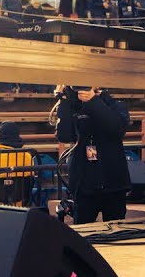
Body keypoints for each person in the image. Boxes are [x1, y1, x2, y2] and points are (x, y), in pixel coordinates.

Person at [53, 84, 131, 223]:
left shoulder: (114, 104)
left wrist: (93, 101)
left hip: (113, 182)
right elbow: (64, 135)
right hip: (84, 184)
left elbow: (117, 129)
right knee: (82, 233)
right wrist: (64, 100)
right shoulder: (71, 106)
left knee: (117, 230)